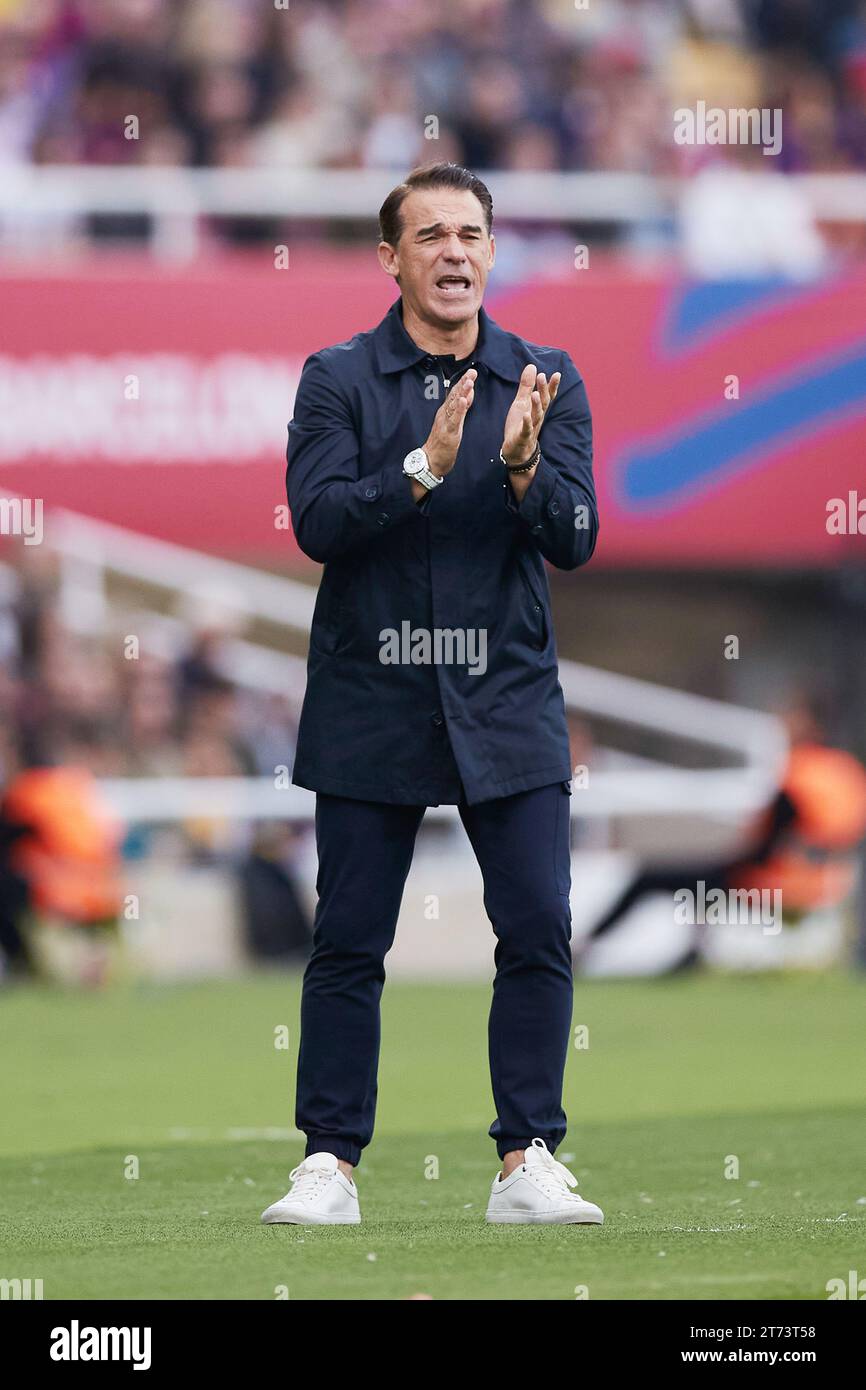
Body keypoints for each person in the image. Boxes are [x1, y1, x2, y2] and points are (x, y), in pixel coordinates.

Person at [261, 162, 602, 1228]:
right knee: (350, 939)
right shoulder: (335, 377)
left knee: (538, 927)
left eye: (469, 234)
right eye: (430, 236)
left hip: (504, 700)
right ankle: (328, 1164)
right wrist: (419, 464)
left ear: (490, 252)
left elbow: (578, 537)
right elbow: (316, 525)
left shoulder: (545, 377)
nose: (452, 252)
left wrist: (517, 475)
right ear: (390, 258)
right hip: (372, 694)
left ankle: (526, 1158)